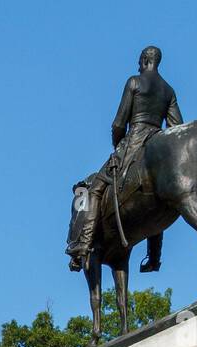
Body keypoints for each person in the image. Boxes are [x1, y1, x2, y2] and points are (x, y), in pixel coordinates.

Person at [66, 45, 183, 272]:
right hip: (156, 138)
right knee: (159, 195)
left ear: (144, 60)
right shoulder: (169, 90)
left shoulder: (134, 82)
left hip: (133, 141)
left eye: (139, 61)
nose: (138, 64)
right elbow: (176, 126)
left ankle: (83, 243)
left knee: (94, 188)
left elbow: (119, 122)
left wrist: (118, 144)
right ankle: (154, 258)